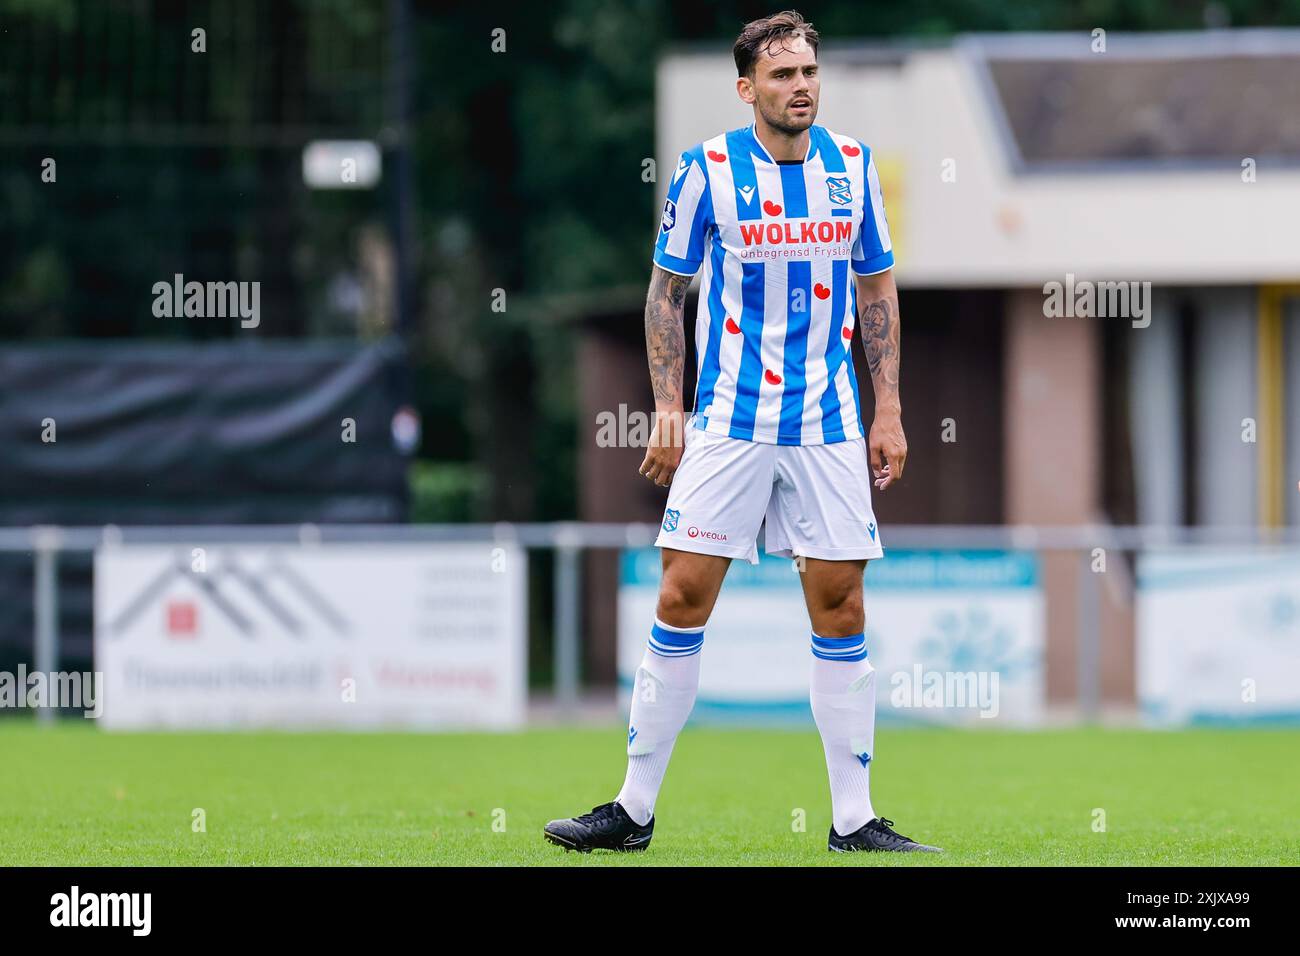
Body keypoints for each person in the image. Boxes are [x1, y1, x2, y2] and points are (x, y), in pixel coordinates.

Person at [544, 9, 940, 854]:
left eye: (808, 72)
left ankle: (854, 818)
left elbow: (876, 290)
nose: (800, 87)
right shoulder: (706, 172)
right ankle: (632, 810)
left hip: (830, 423)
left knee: (840, 605)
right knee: (683, 595)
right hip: (727, 423)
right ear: (747, 88)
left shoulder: (854, 169)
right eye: (782, 75)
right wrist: (666, 406)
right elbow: (666, 294)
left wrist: (891, 408)